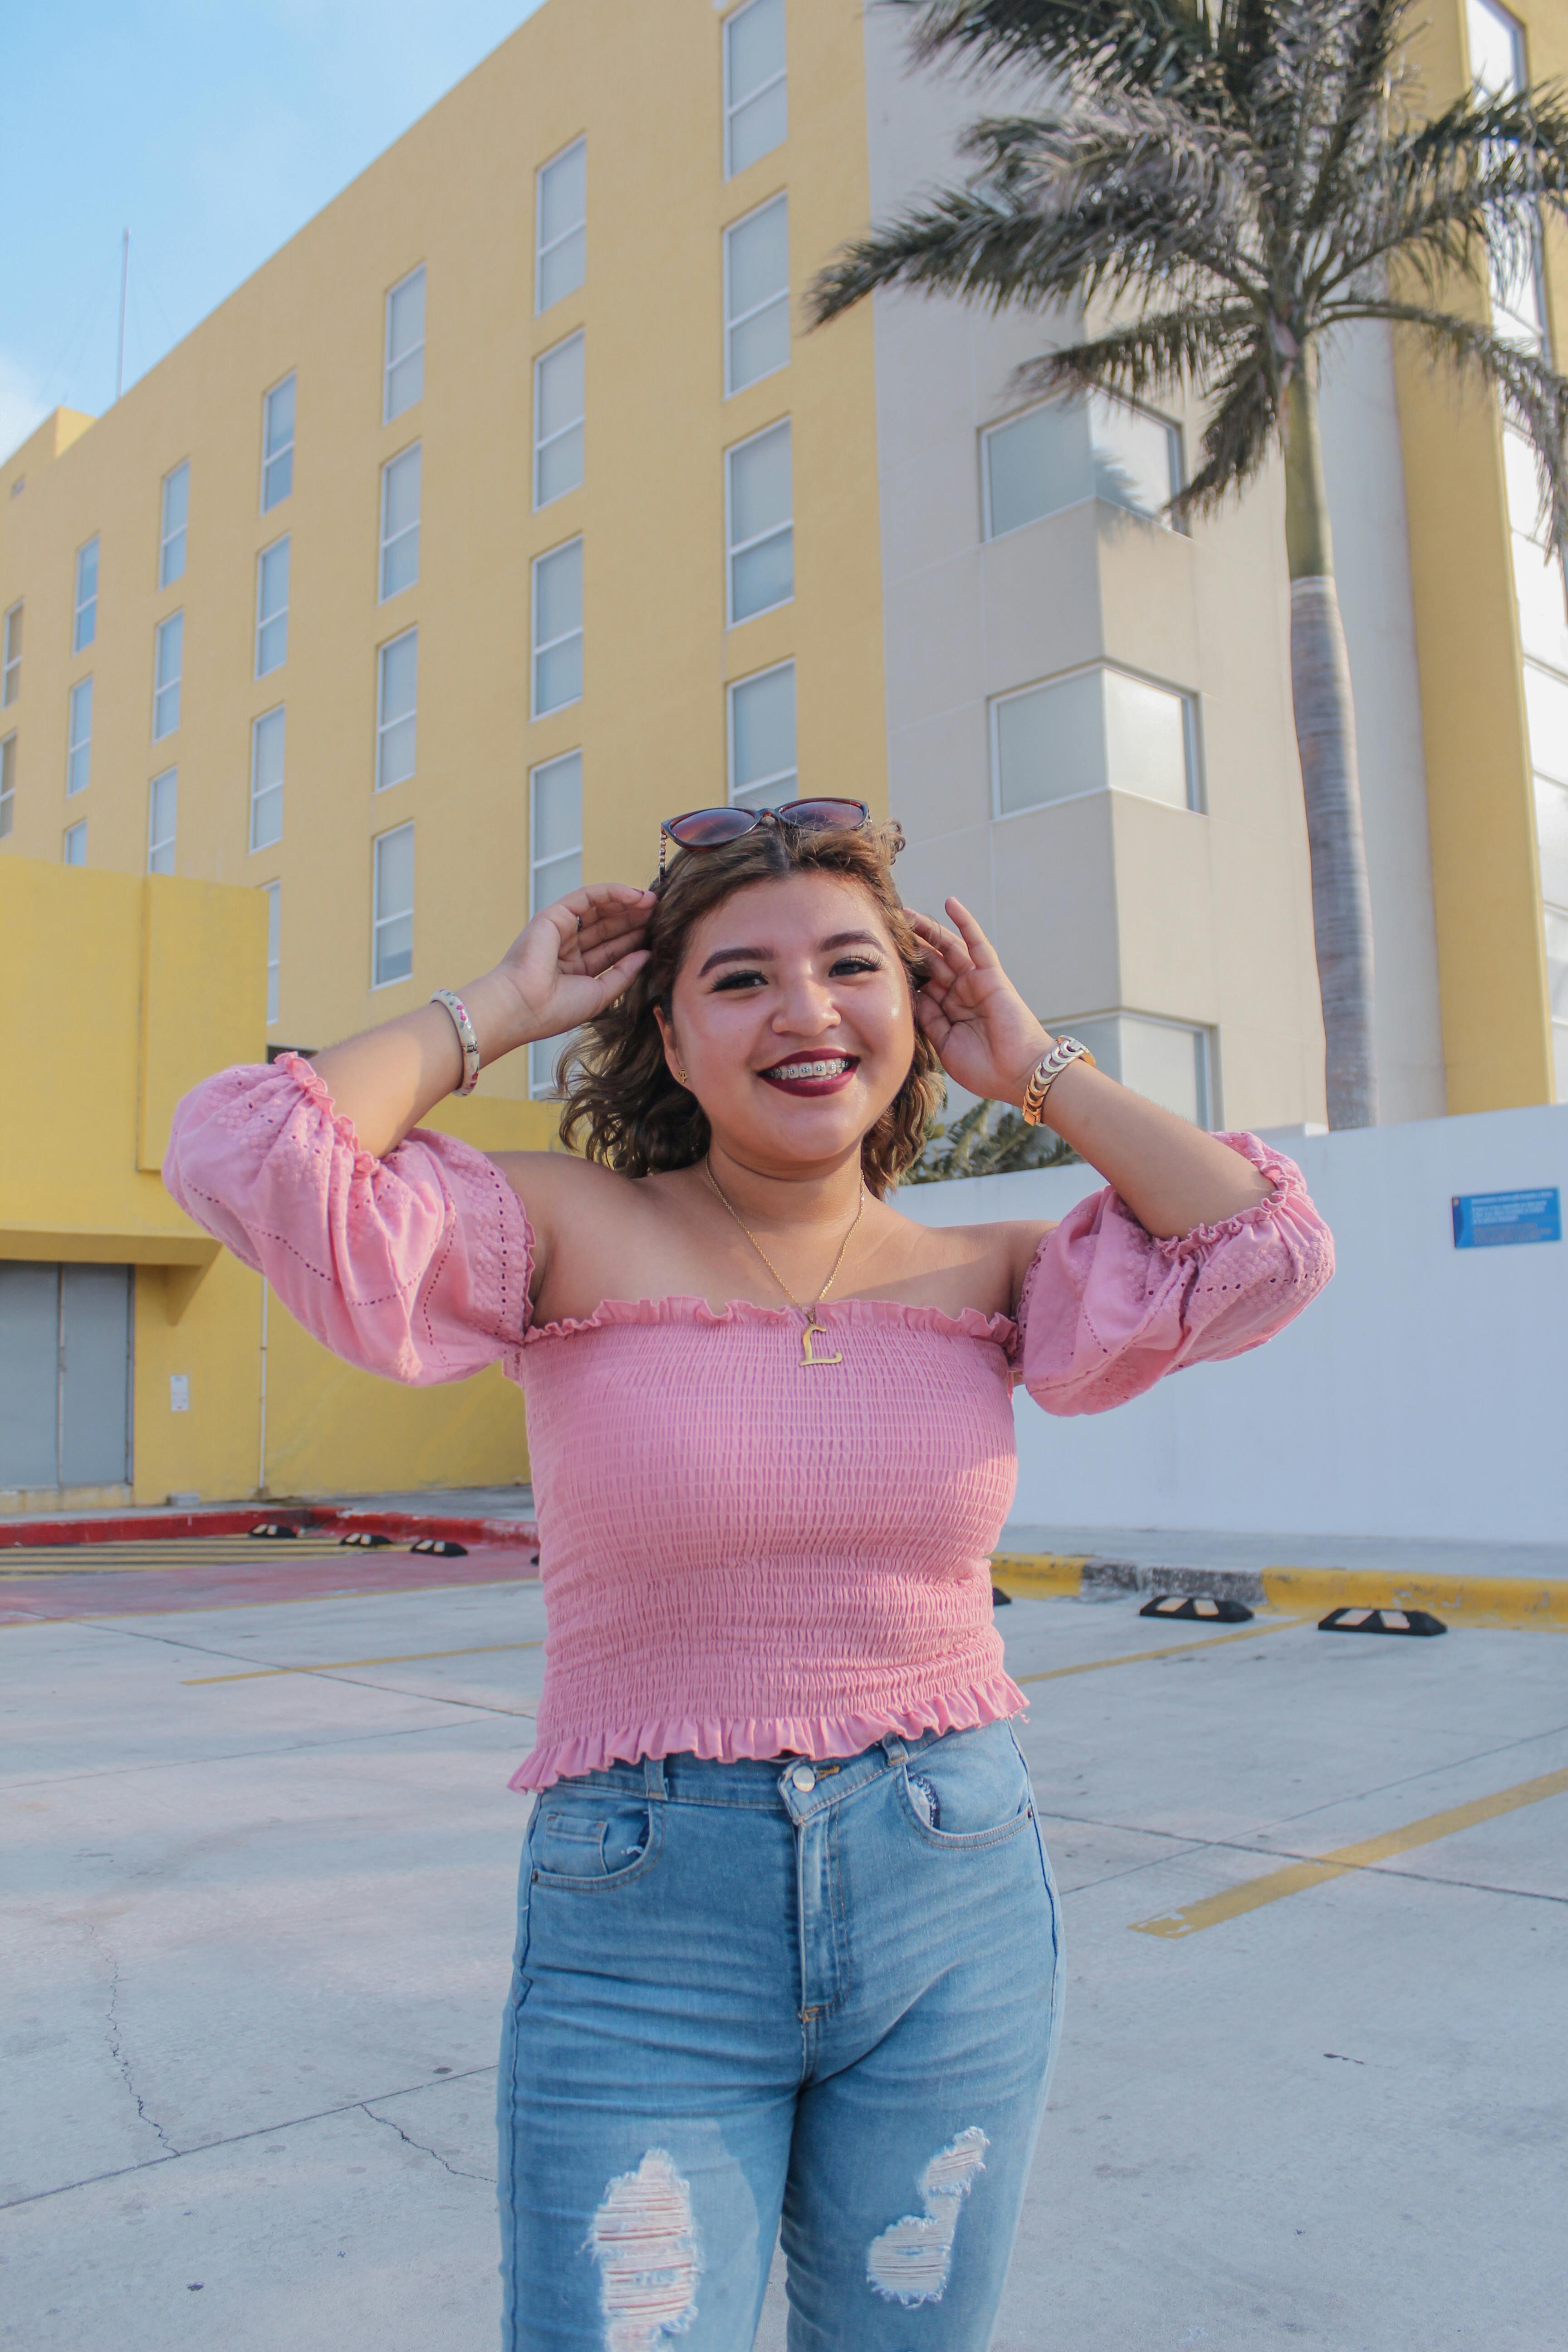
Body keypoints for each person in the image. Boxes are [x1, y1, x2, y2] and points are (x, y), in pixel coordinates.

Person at [164, 804, 1332, 2351]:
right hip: (647, 1918)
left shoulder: (986, 1273)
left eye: (854, 968)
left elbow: (1265, 1248)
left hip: (954, 1891)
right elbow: (246, 1147)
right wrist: (499, 1008)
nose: (805, 1011)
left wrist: (1040, 1068)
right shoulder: (572, 1228)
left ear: (919, 1013)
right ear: (667, 1026)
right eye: (739, 978)